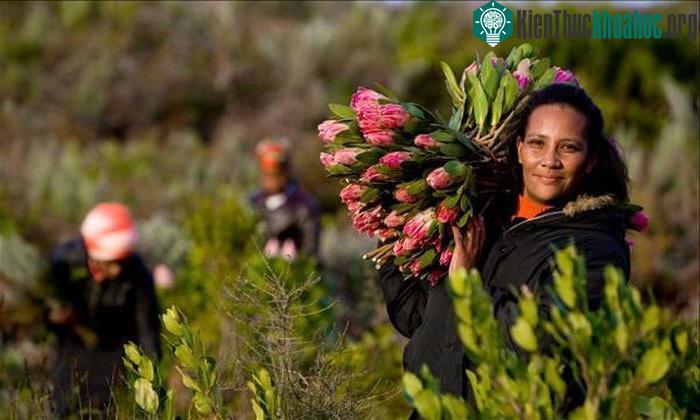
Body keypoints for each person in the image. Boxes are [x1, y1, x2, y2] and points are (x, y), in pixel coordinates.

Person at [380, 83, 632, 413]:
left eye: (568, 148)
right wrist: (399, 229)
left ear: (590, 160)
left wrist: (467, 287)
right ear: (518, 148)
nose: (549, 161)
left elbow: (542, 344)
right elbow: (412, 316)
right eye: (537, 144)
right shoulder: (484, 219)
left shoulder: (595, 248)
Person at [47, 203, 161, 415]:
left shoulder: (138, 276)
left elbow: (148, 331)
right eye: (111, 262)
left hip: (114, 361)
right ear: (93, 253)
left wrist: (151, 380)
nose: (118, 270)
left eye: (121, 260)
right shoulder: (64, 264)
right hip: (71, 358)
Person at [249, 139, 321, 261]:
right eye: (267, 174)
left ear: (286, 172)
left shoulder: (303, 205)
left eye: (276, 174)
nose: (271, 180)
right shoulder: (254, 202)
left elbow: (311, 248)